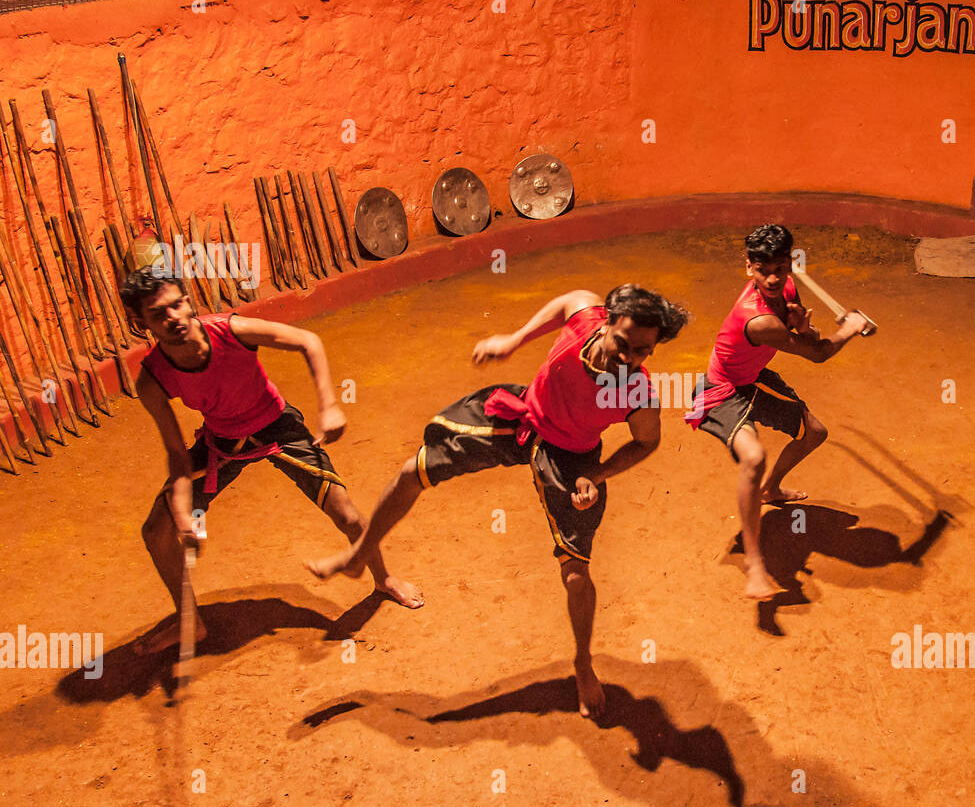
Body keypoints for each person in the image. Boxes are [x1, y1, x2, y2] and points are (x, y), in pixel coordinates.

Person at [308, 284, 689, 722]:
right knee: (412, 472)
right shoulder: (583, 317)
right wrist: (514, 339)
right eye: (623, 343)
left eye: (642, 351)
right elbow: (569, 299)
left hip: (571, 458)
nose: (629, 358)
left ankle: (583, 664)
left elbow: (647, 442)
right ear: (605, 321)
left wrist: (597, 474)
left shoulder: (636, 392)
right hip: (521, 415)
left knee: (576, 574)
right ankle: (360, 555)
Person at [121, 266, 423, 656]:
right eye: (158, 313)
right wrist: (183, 517)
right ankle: (189, 621)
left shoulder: (231, 331)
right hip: (222, 441)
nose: (174, 318)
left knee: (348, 516)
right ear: (139, 322)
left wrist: (329, 405)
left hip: (278, 427)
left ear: (188, 300)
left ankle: (384, 579)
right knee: (155, 529)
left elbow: (308, 341)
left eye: (177, 304)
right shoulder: (152, 380)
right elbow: (178, 456)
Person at [686, 224, 868, 600]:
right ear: (748, 266)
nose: (771, 278)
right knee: (753, 457)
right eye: (761, 268)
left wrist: (803, 325)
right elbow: (817, 354)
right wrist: (849, 329)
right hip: (722, 390)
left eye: (780, 268)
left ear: (789, 264)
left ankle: (770, 490)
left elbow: (807, 337)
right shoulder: (758, 319)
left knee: (814, 432)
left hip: (751, 378)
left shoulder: (786, 289)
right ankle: (754, 565)